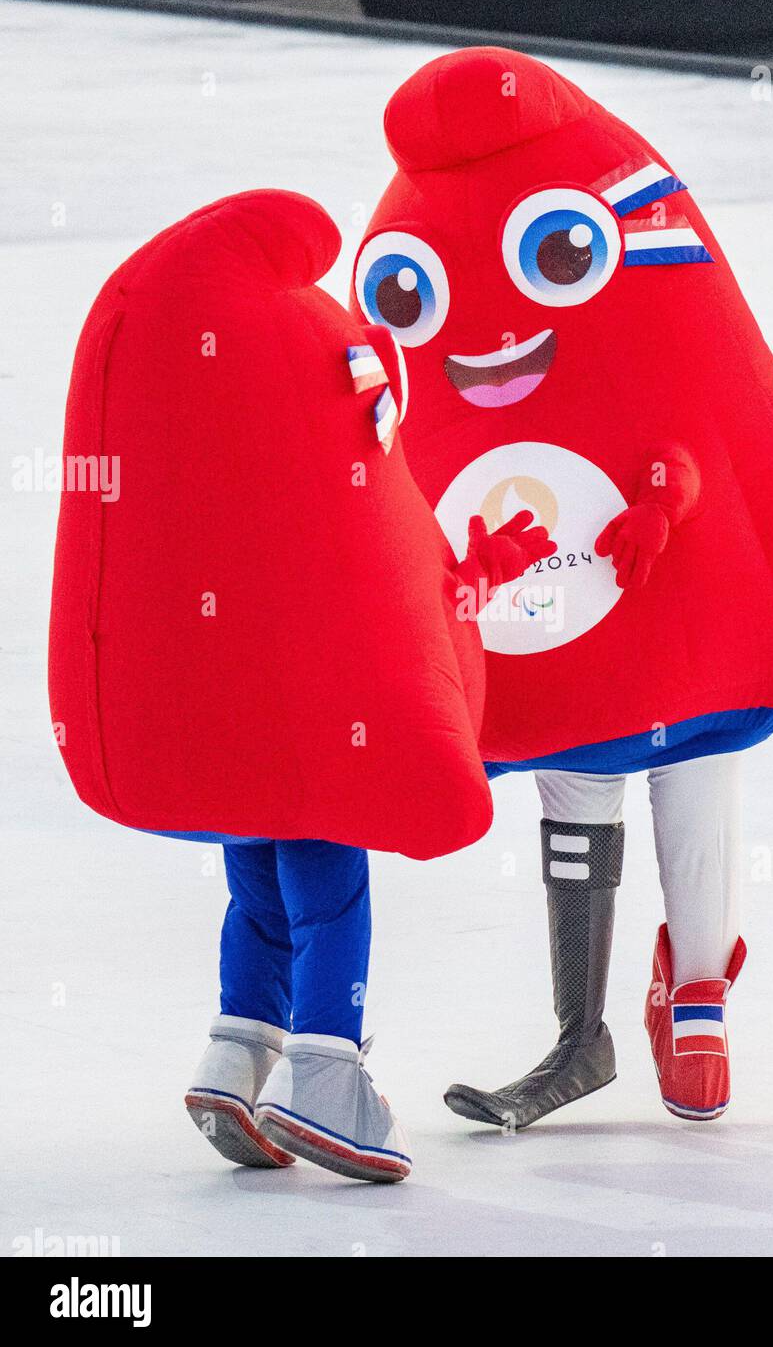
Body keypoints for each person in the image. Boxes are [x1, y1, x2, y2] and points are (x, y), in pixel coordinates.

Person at [352, 47, 773, 1129]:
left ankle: (675, 1010)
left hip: (634, 635)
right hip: (604, 637)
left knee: (638, 782)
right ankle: (639, 1020)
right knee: (664, 783)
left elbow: (680, 445)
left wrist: (655, 506)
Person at [48, 189, 551, 1178]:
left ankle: (236, 1054)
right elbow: (392, 581)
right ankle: (326, 1073)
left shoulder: (209, 486)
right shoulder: (323, 491)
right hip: (321, 730)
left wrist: (476, 570)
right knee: (329, 900)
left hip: (239, 730)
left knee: (257, 899)